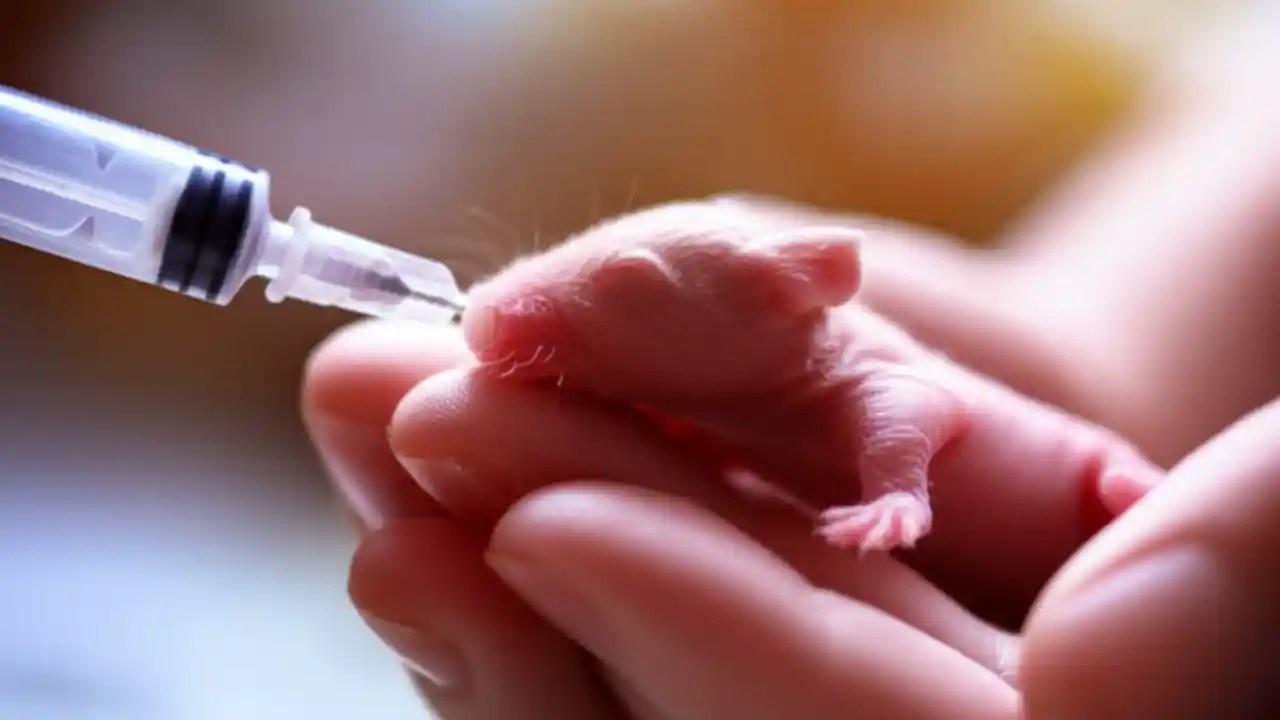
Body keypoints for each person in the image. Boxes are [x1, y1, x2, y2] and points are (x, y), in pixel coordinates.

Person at [301, 35, 1280, 720]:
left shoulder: (848, 377)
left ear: (780, 300)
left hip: (1098, 511)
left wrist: (894, 486)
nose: (519, 298)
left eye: (630, 283)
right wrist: (1120, 341)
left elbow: (922, 405)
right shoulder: (745, 392)